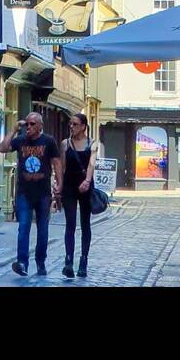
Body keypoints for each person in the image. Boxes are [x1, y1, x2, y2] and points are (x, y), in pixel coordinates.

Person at [0, 112, 60, 277]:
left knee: (42, 229)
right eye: (27, 124)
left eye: (32, 124)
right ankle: (22, 263)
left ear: (40, 125)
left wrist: (59, 183)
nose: (29, 127)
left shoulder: (48, 141)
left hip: (43, 192)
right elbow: (2, 148)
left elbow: (56, 162)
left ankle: (41, 262)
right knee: (23, 227)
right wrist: (13, 130)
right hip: (24, 192)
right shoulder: (20, 140)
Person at [57, 112, 98, 279]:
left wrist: (87, 181)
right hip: (69, 187)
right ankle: (68, 261)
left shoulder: (93, 144)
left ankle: (83, 261)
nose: (71, 127)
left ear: (83, 126)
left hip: (85, 187)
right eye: (70, 124)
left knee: (85, 224)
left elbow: (91, 164)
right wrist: (58, 186)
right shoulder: (65, 144)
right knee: (70, 224)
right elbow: (62, 167)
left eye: (75, 124)